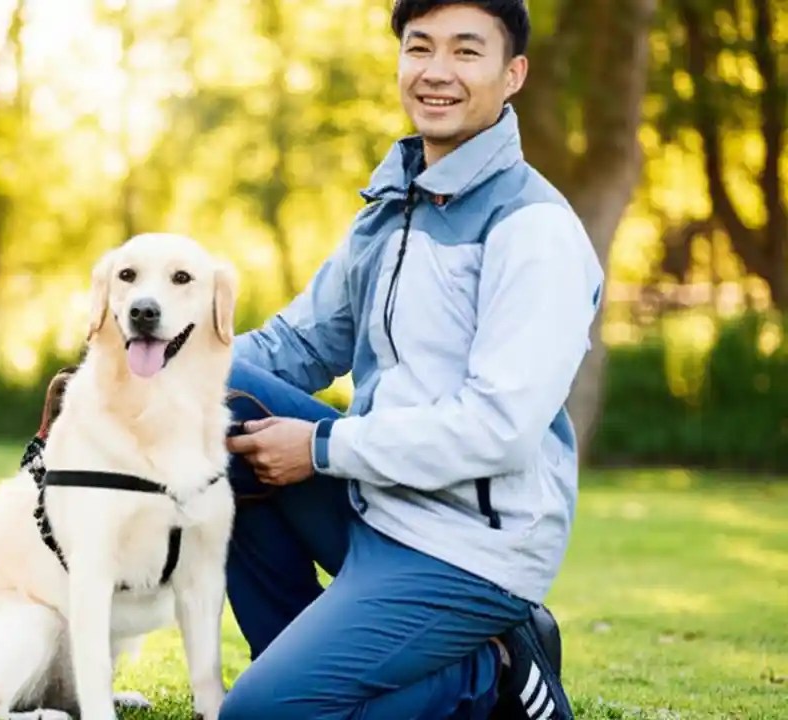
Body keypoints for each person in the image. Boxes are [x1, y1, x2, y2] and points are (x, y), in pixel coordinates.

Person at [217, 1, 601, 719]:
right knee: (218, 397)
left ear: (512, 73)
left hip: (467, 547)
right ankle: (300, 673)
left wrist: (323, 446)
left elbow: (498, 427)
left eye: (465, 51)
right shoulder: (393, 206)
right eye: (419, 48)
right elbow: (293, 347)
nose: (436, 72)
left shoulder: (533, 229)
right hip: (374, 499)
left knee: (258, 717)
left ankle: (492, 673)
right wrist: (125, 380)